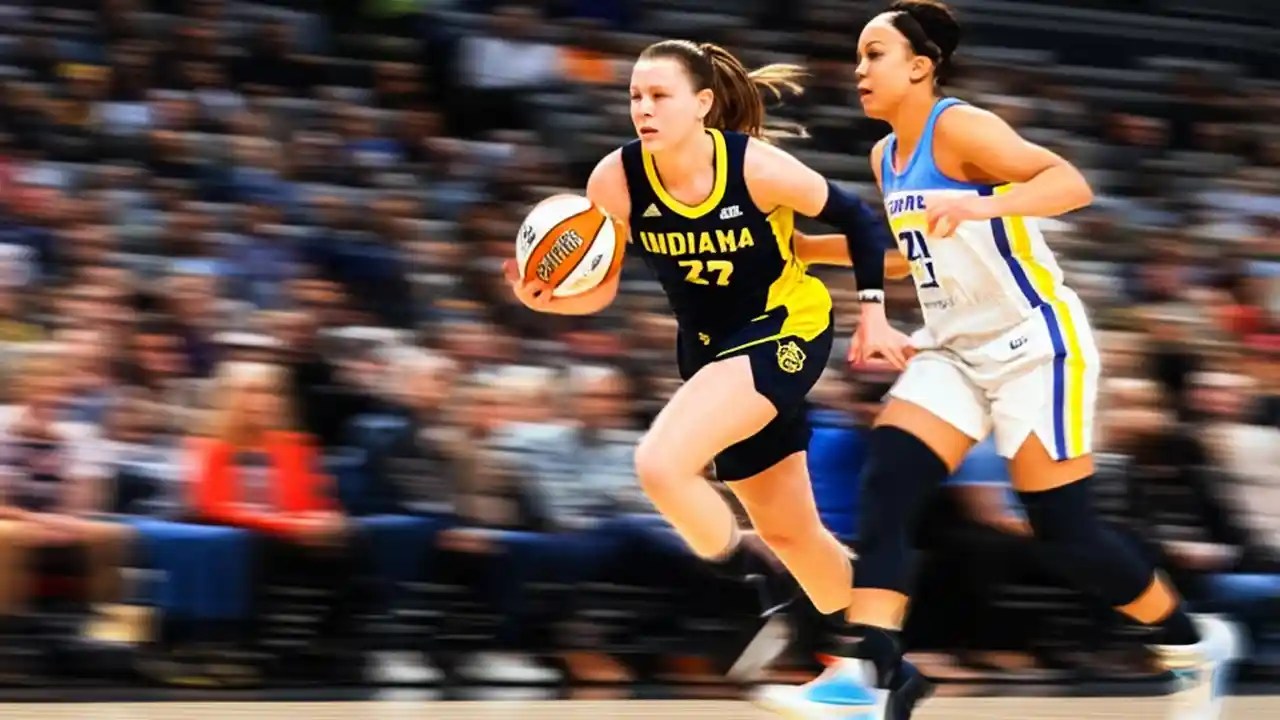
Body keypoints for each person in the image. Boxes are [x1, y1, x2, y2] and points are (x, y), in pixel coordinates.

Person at [753, 3, 1243, 719]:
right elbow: (909, 256)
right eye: (858, 56)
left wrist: (984, 207)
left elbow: (1069, 183)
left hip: (1034, 345)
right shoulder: (884, 156)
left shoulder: (960, 126)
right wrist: (804, 248)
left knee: (1065, 533)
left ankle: (1193, 644)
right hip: (953, 347)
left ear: (920, 66)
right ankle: (865, 679)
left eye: (875, 53)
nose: (858, 69)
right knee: (887, 485)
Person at [503, 38, 909, 676]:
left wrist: (876, 311)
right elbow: (601, 286)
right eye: (635, 95)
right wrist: (546, 301)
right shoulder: (614, 179)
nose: (643, 107)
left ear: (702, 103)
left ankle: (761, 588)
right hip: (713, 356)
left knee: (660, 464)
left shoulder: (755, 166)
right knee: (792, 533)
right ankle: (882, 662)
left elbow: (858, 219)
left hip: (787, 332)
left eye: (659, 95)